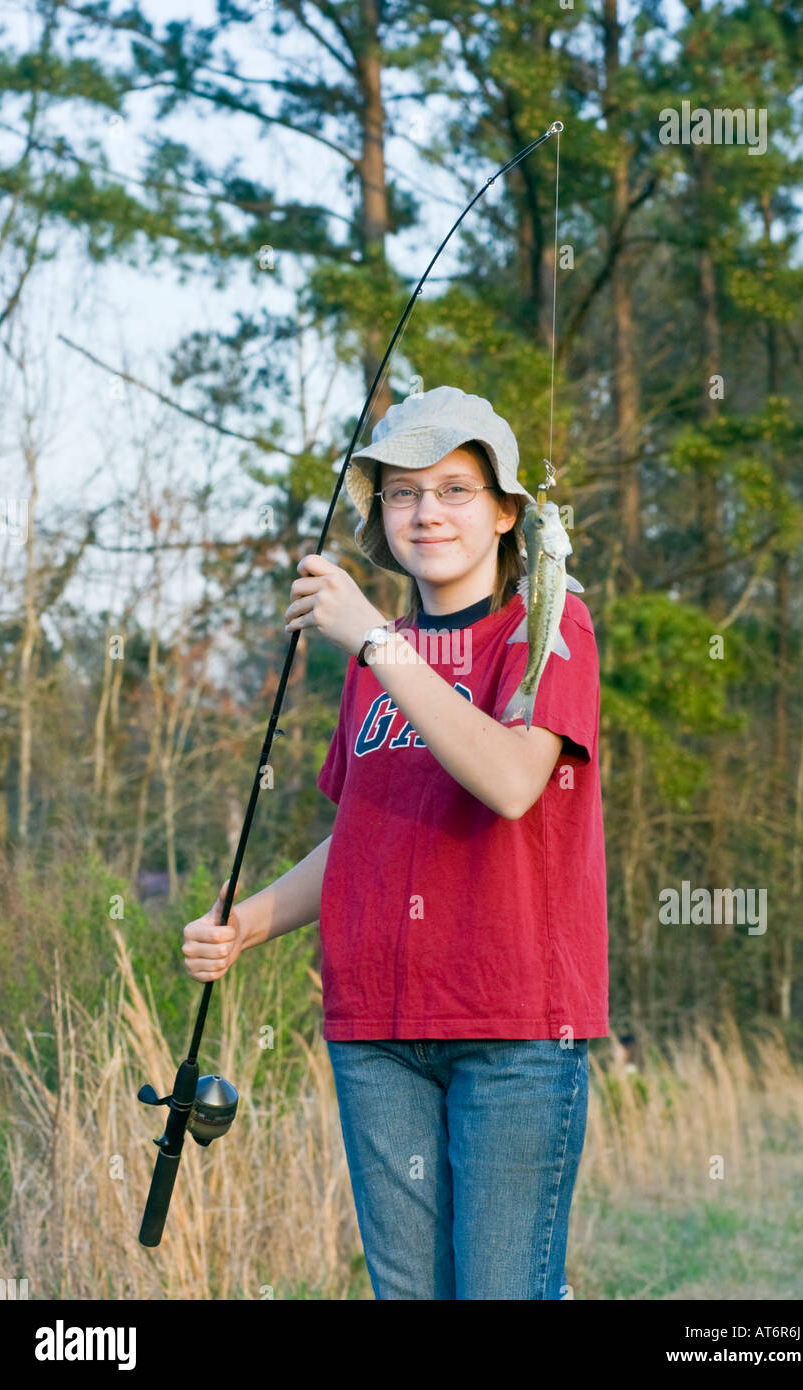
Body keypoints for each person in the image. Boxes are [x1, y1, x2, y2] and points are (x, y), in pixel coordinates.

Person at [182, 385, 609, 1300]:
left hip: (513, 1032)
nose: (427, 511)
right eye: (403, 491)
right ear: (383, 516)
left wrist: (374, 641)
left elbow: (508, 781)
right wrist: (245, 923)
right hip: (375, 1030)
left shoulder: (547, 625)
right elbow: (361, 837)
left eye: (455, 489)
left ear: (504, 513)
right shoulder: (381, 660)